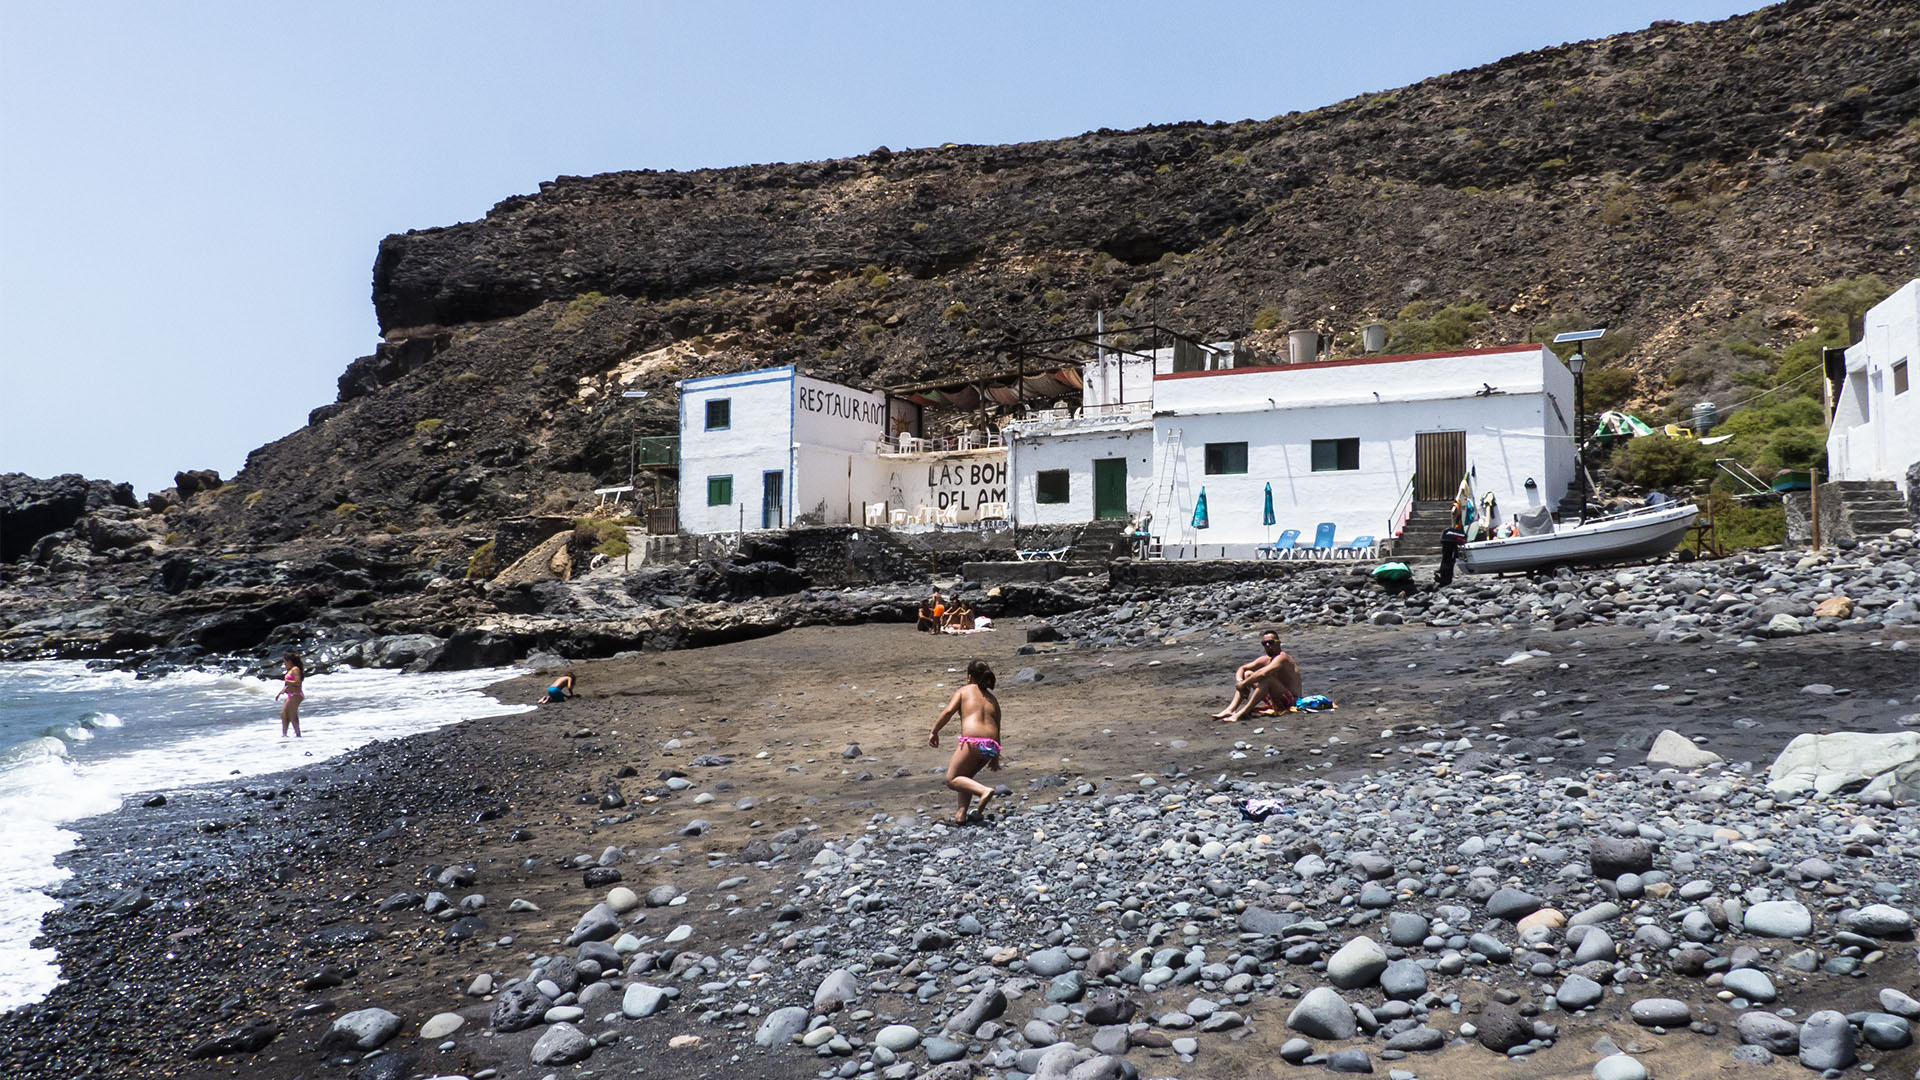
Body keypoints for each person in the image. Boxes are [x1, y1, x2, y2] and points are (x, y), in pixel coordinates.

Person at [929, 659, 1003, 824]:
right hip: (991, 744)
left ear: (969, 677)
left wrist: (934, 731)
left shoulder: (965, 691)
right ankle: (961, 815)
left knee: (952, 779)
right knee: (966, 777)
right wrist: (996, 755)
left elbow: (948, 711)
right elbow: (997, 726)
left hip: (973, 741)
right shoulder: (992, 699)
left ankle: (983, 791)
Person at [1213, 631, 1302, 722]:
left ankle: (1243, 712)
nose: (1267, 645)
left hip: (1291, 702)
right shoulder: (1265, 659)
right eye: (1264, 643)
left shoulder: (1282, 658)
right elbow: (1242, 668)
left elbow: (1263, 673)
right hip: (1275, 700)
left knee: (1268, 679)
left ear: (1278, 642)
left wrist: (1243, 684)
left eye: (1270, 642)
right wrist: (1239, 681)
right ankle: (1230, 710)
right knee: (1247, 674)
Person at [276, 652, 305, 738]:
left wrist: (287, 681)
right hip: (290, 695)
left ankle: (298, 735)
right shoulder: (290, 670)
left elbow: (298, 682)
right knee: (284, 714)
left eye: (285, 662)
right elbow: (288, 685)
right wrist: (281, 691)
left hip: (296, 694)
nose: (284, 664)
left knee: (292, 715)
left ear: (290, 661)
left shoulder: (295, 669)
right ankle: (284, 735)